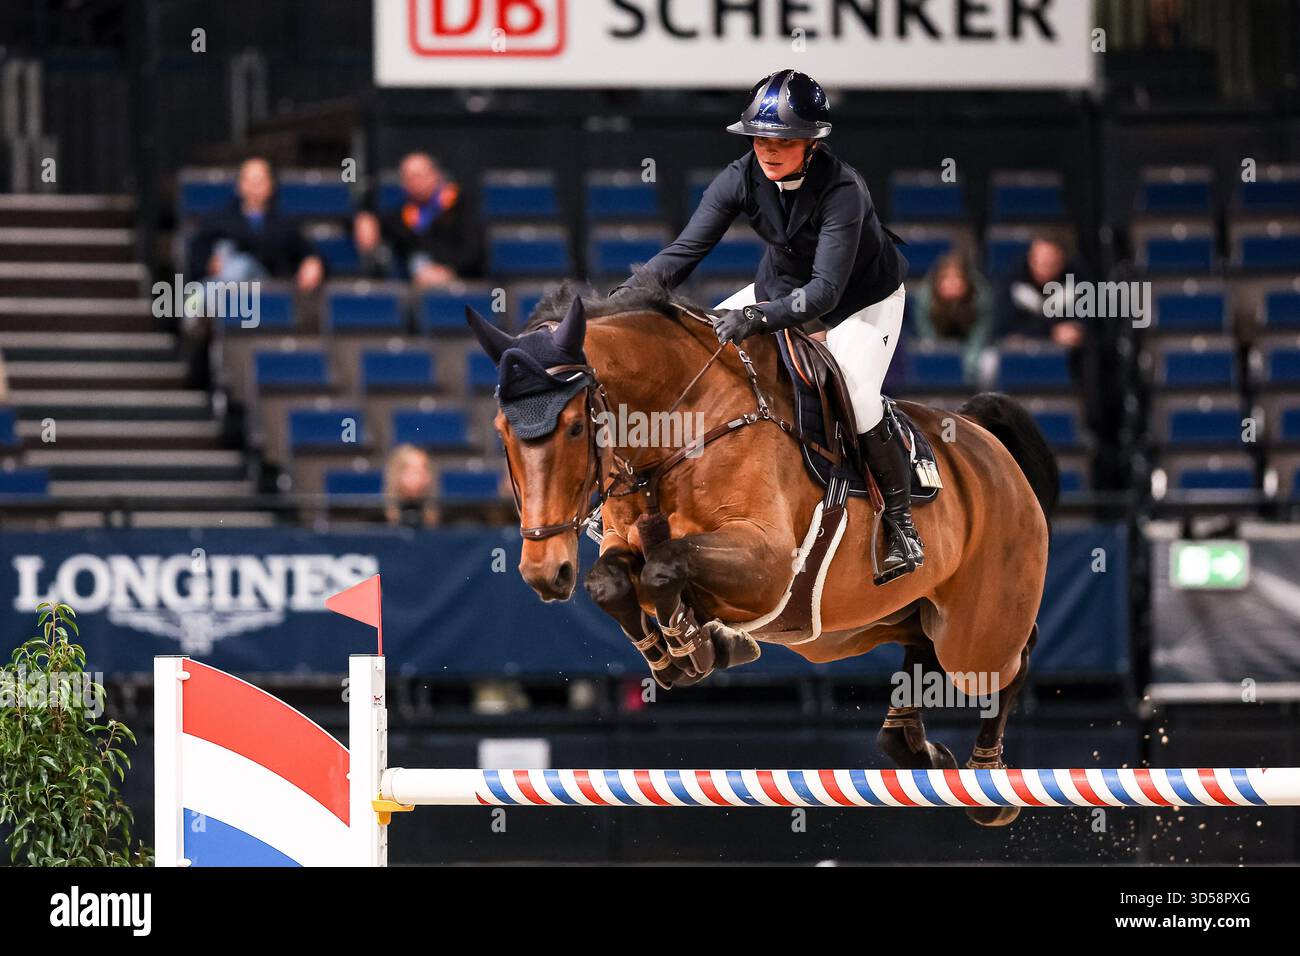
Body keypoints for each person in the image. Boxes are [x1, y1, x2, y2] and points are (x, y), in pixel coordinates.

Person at [618, 69, 920, 580]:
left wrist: (756, 318)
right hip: (779, 286)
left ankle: (900, 523)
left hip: (858, 300)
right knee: (703, 350)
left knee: (858, 394)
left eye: (782, 139)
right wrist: (623, 301)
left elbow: (824, 292)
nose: (768, 149)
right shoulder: (739, 177)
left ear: (811, 142)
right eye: (760, 137)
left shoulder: (844, 191)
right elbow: (684, 252)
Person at [188, 157, 323, 291]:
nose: (254, 187)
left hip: (267, 290)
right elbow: (198, 255)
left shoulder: (285, 223)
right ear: (238, 185)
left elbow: (307, 251)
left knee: (242, 265)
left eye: (259, 181)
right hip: (223, 286)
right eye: (249, 180)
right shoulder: (218, 220)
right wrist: (209, 263)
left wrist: (312, 262)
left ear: (270, 185)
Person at [354, 152, 483, 288]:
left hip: (462, 283)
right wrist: (366, 219)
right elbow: (374, 223)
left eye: (419, 176)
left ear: (435, 175)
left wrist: (449, 271)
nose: (414, 182)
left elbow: (474, 251)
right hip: (417, 289)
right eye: (408, 178)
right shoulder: (403, 215)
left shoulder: (461, 205)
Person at [910, 251, 995, 387]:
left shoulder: (980, 299)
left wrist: (969, 362)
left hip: (972, 349)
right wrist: (940, 357)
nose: (951, 283)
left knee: (988, 362)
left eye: (957, 278)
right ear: (938, 281)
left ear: (966, 281)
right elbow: (927, 337)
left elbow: (980, 337)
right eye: (945, 278)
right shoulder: (925, 299)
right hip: (937, 348)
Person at [997, 236, 1084, 349]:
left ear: (1062, 262)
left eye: (1052, 263)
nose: (1045, 267)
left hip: (1067, 356)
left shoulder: (1077, 282)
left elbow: (1085, 322)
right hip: (1022, 356)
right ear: (1030, 259)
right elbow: (1004, 327)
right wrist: (1051, 332)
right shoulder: (1012, 282)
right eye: (1040, 261)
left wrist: (1077, 329)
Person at [383, 444, 439, 529]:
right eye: (413, 470)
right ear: (396, 474)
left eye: (425, 469)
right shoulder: (374, 520)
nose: (421, 476)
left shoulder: (446, 518)